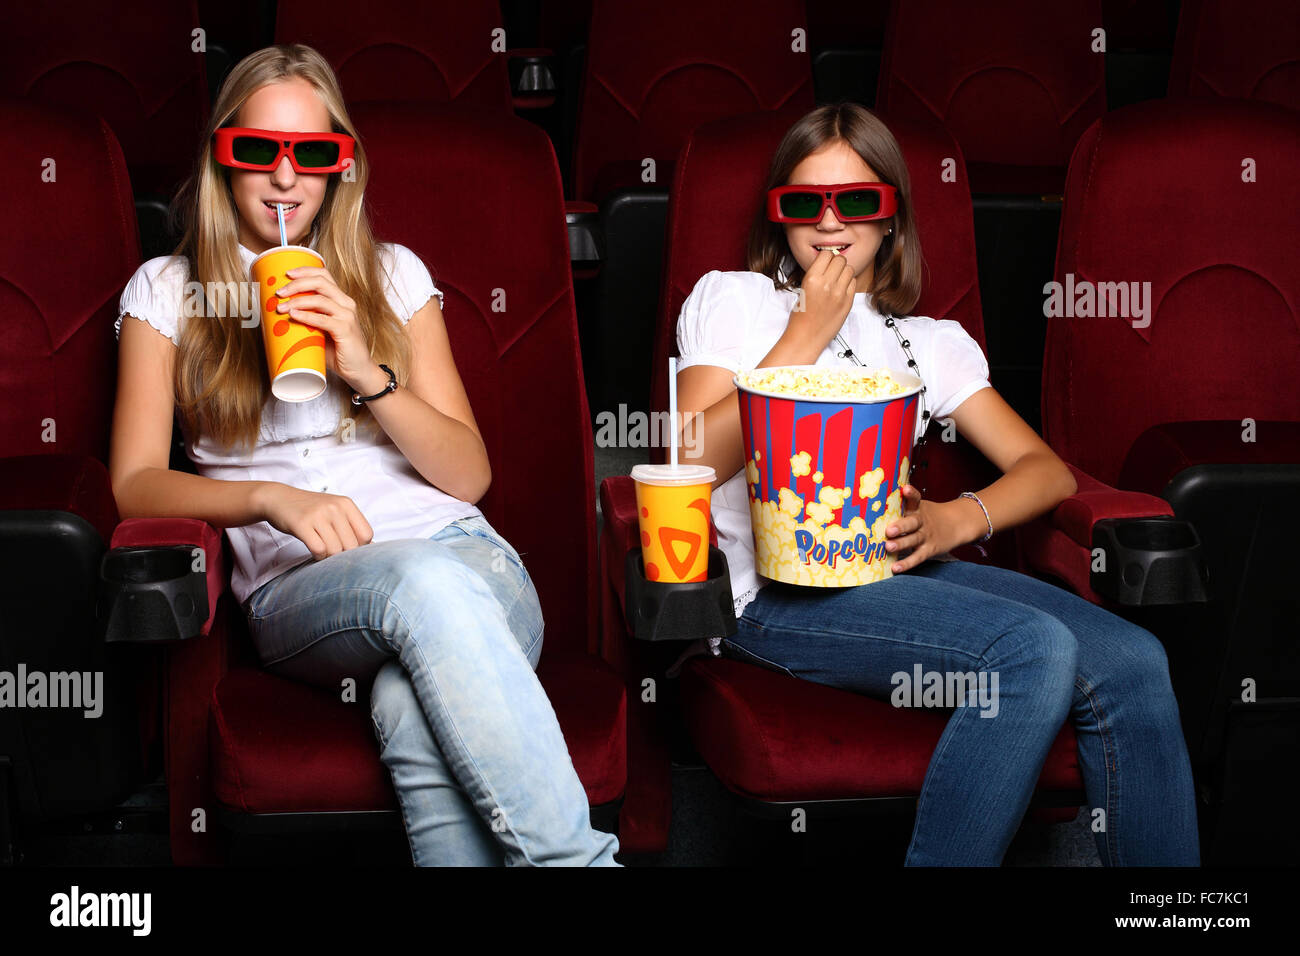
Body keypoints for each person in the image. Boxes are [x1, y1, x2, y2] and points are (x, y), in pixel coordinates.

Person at [108, 44, 619, 867]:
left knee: (411, 697)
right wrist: (273, 500)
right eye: (257, 151)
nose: (285, 178)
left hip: (473, 564)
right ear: (220, 158)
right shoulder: (166, 292)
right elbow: (134, 484)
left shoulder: (391, 276)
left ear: (340, 165)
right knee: (419, 582)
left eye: (312, 153)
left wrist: (364, 369)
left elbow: (469, 475)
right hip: (305, 591)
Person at [673, 102, 1199, 866]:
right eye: (803, 202)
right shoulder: (736, 301)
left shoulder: (925, 341)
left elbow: (1046, 470)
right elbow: (687, 457)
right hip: (776, 597)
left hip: (901, 572)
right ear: (777, 217)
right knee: (1033, 648)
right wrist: (803, 336)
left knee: (1135, 660)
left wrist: (957, 520)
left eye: (856, 201)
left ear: (891, 218)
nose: (829, 223)